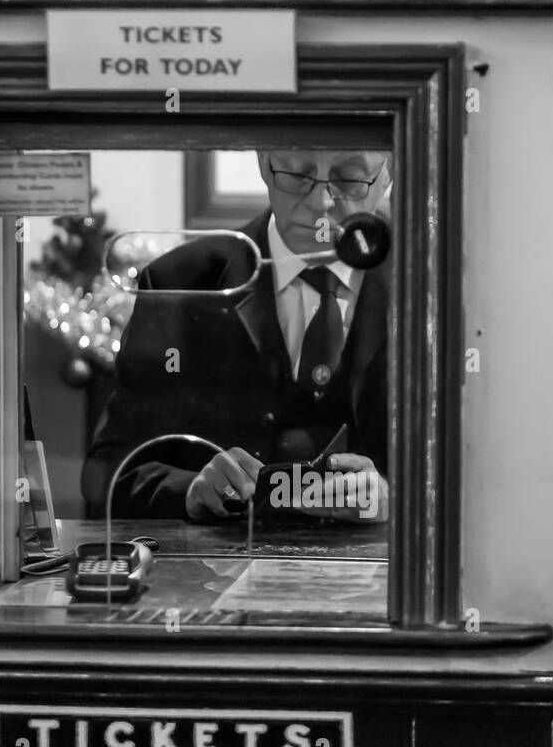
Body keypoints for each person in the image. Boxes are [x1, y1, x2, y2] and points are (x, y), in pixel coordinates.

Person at [81, 149, 392, 522]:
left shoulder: (436, 292)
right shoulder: (181, 283)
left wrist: (397, 498)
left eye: (350, 178)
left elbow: (475, 477)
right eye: (296, 174)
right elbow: (109, 473)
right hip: (217, 574)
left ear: (388, 174)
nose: (320, 202)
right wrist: (190, 490)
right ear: (263, 162)